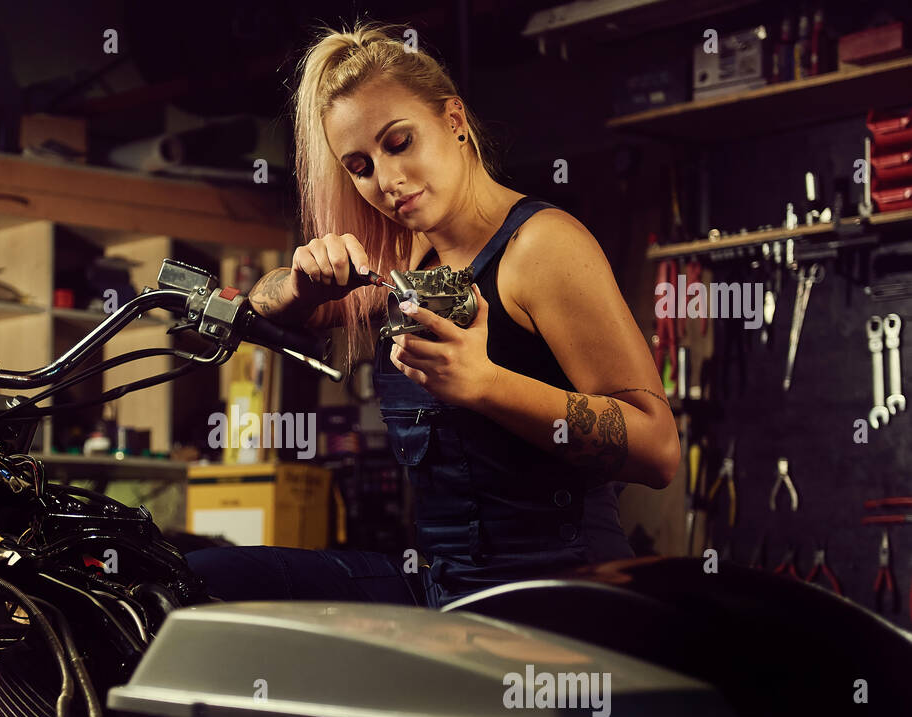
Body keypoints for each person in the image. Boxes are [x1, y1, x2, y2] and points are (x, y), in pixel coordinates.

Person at [185, 21, 679, 610]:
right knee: (202, 578)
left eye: (399, 143)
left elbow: (658, 449)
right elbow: (266, 310)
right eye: (360, 167)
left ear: (455, 121)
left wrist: (487, 385)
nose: (387, 181)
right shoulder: (401, 257)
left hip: (558, 590)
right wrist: (300, 284)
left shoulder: (542, 247)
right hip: (444, 589)